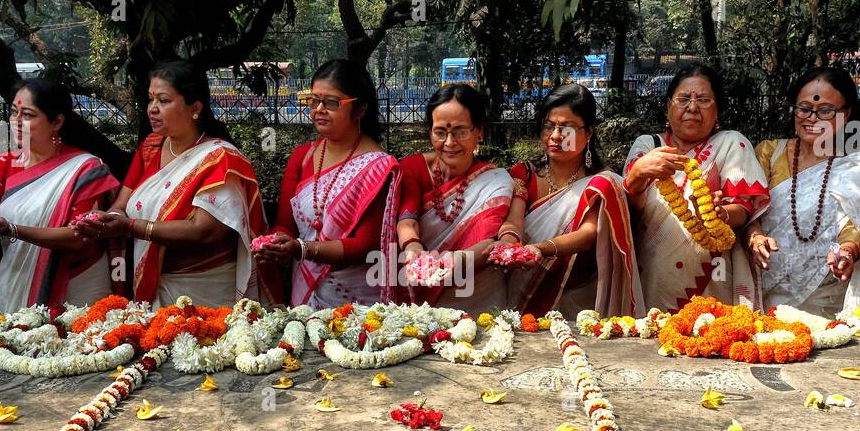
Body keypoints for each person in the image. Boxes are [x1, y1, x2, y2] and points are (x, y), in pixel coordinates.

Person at [73, 60, 275, 308]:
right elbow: (121, 205)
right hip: (153, 286)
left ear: (195, 108)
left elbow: (205, 231)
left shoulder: (220, 159)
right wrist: (107, 218)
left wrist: (130, 226)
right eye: (150, 100)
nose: (152, 109)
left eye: (164, 100)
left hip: (205, 291)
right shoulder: (150, 148)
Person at [0, 78, 120, 313]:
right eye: (13, 113)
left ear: (57, 121)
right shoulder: (3, 165)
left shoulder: (86, 169)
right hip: (16, 281)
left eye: (28, 115)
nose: (16, 122)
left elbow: (78, 237)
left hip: (77, 284)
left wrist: (11, 230)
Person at [253, 59, 401, 308]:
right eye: (314, 100)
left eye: (331, 102)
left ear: (360, 109)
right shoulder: (302, 157)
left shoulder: (377, 167)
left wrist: (301, 249)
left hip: (358, 300)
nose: (319, 109)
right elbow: (285, 224)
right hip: (305, 293)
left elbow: (366, 245)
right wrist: (276, 243)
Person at [622, 63, 768, 311]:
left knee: (710, 338)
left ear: (717, 110)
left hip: (712, 276)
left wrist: (720, 214)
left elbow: (743, 210)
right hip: (651, 273)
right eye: (683, 99)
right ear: (669, 107)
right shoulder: (647, 146)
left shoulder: (731, 143)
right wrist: (636, 175)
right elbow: (626, 211)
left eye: (703, 100)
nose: (692, 107)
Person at [494, 83, 639, 318]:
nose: (555, 136)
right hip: (520, 295)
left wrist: (542, 249)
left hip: (579, 302)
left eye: (567, 129)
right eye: (549, 126)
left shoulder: (602, 183)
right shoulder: (524, 173)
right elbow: (514, 220)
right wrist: (508, 245)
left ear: (589, 132)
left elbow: (589, 233)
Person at [746, 66, 860, 315]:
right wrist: (755, 237)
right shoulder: (768, 153)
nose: (812, 117)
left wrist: (847, 251)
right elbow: (748, 211)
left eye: (825, 110)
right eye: (805, 108)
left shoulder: (857, 167)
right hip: (761, 288)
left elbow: (857, 224)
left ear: (846, 113)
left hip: (824, 296)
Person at [396, 84, 513, 310]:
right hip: (418, 292)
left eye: (460, 131)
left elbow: (487, 241)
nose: (449, 143)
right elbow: (407, 221)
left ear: (479, 132)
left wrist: (450, 264)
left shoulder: (496, 180)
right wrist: (415, 253)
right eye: (440, 132)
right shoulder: (412, 168)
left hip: (477, 296)